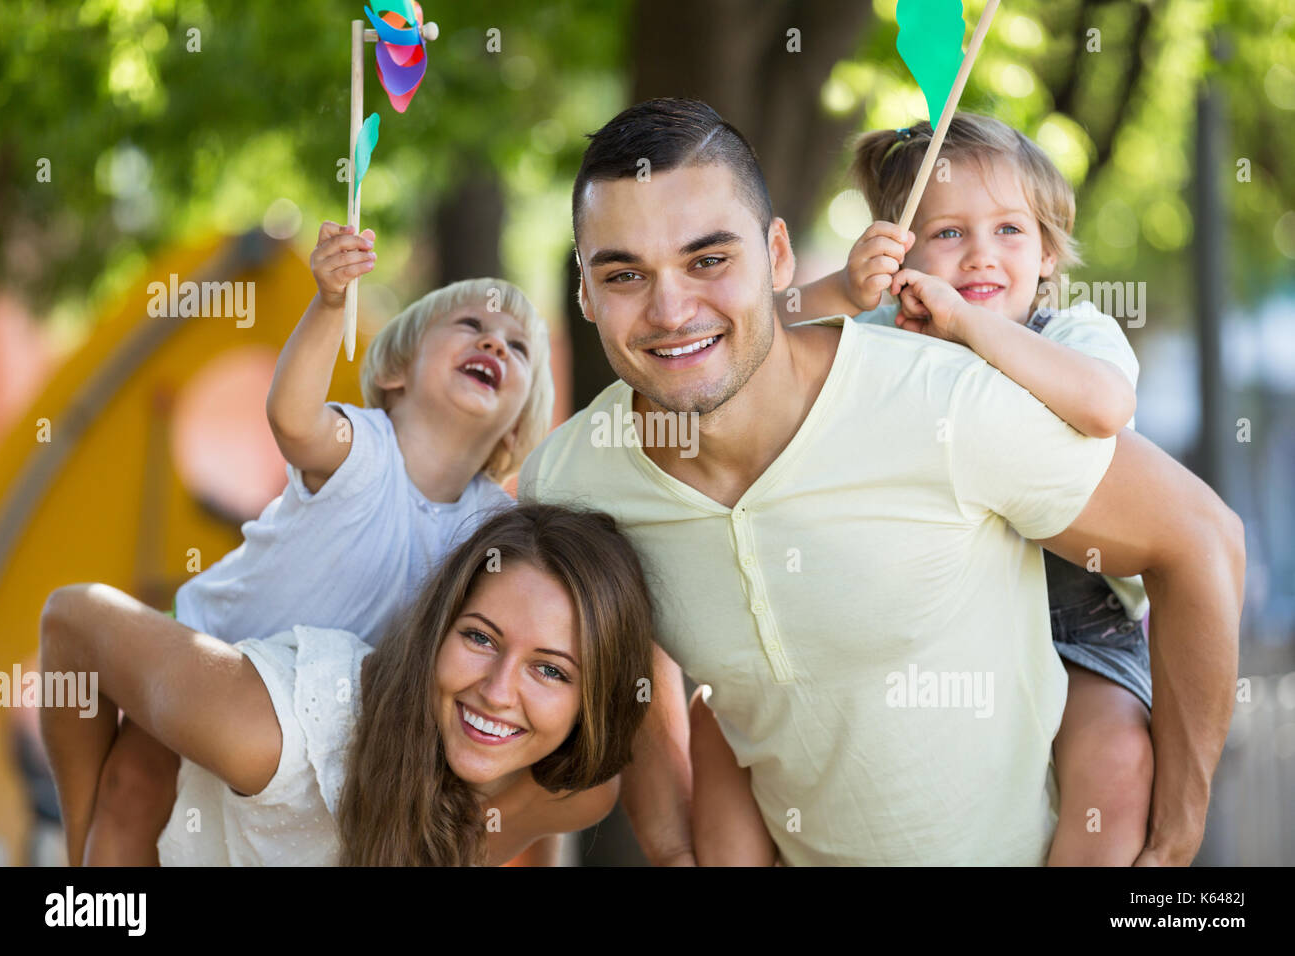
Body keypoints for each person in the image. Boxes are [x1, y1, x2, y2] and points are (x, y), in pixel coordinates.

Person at [520, 97, 1245, 866]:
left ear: (777, 255)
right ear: (586, 294)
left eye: (709, 260)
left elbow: (1202, 539)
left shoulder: (947, 398)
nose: (671, 310)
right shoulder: (570, 482)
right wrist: (670, 847)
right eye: (626, 273)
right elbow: (622, 671)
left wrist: (1175, 837)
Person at [690, 113, 1157, 865]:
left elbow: (1104, 406)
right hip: (922, 626)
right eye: (948, 234)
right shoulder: (884, 332)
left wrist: (968, 323)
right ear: (901, 247)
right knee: (724, 718)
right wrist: (840, 289)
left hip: (1072, 623)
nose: (982, 253)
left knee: (1119, 762)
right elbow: (751, 347)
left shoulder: (1072, 332)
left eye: (1010, 230)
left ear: (1047, 254)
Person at [80, 221, 554, 864]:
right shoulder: (361, 448)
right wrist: (331, 303)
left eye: (518, 348)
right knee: (131, 794)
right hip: (205, 658)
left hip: (305, 724)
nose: (494, 343)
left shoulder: (492, 525)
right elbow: (293, 417)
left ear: (520, 421)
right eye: (471, 327)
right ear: (395, 372)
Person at [39, 504, 654, 866]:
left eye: (550, 670)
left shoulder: (574, 792)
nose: (496, 692)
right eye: (480, 638)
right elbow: (71, 619)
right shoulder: (268, 735)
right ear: (437, 628)